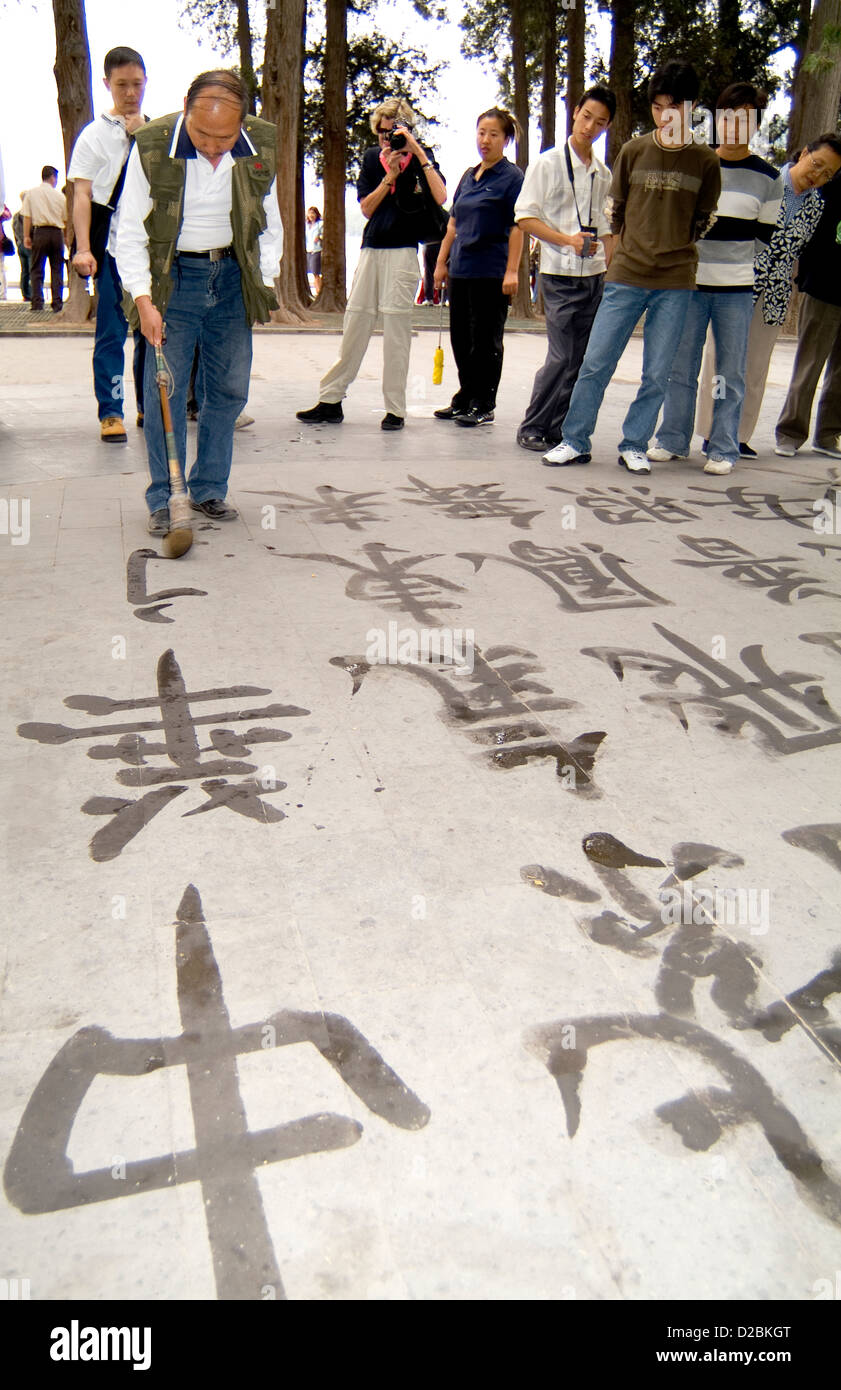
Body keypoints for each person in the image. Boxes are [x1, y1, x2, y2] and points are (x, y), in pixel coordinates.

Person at [116, 69, 283, 536]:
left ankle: (209, 487)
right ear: (186, 104)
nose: (213, 149)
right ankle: (166, 497)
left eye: (225, 138)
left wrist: (262, 281)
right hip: (174, 280)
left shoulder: (260, 144)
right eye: (203, 135)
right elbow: (128, 231)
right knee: (162, 391)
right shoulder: (152, 145)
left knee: (228, 389)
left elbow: (271, 220)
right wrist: (145, 301)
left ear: (243, 123)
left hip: (231, 276)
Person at [542, 61, 720, 474]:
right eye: (657, 107)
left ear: (691, 108)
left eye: (673, 107)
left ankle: (635, 443)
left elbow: (705, 217)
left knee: (657, 372)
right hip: (626, 275)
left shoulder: (703, 161)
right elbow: (614, 211)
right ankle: (575, 440)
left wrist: (675, 246)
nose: (664, 116)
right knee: (595, 362)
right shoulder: (634, 151)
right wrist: (621, 255)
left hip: (675, 280)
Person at [649, 84, 781, 475]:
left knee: (730, 371)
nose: (735, 125)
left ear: (756, 124)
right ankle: (672, 439)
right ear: (718, 119)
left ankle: (723, 446)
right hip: (689, 285)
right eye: (728, 115)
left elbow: (764, 238)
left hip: (736, 290)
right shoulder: (698, 164)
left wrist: (731, 262)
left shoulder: (768, 177)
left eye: (745, 117)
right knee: (681, 365)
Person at [296, 97, 446, 432]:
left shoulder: (424, 157)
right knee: (356, 325)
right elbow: (366, 208)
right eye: (380, 133)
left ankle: (395, 409)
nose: (385, 139)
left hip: (403, 252)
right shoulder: (370, 159)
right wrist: (388, 177)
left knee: (396, 334)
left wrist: (417, 153)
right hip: (372, 247)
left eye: (391, 133)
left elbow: (440, 197)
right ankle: (330, 400)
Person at [695, 132, 841, 456]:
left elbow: (804, 249)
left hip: (775, 292)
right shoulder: (766, 180)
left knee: (756, 365)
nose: (818, 175)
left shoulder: (818, 205)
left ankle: (740, 434)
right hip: (739, 280)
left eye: (827, 174)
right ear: (804, 153)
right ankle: (711, 432)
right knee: (720, 359)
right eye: (817, 165)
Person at [513, 86, 616, 451]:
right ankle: (532, 425)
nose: (590, 127)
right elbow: (525, 217)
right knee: (561, 354)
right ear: (575, 113)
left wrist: (611, 266)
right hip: (558, 273)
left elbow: (606, 230)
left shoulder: (603, 173)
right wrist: (566, 240)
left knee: (582, 357)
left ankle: (559, 429)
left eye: (600, 123)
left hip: (595, 275)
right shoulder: (547, 162)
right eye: (586, 117)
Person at [69, 46, 149, 444]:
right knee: (112, 331)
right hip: (112, 249)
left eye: (137, 84)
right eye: (122, 85)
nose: (130, 93)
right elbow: (81, 195)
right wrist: (84, 248)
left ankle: (148, 406)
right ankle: (111, 411)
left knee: (153, 330)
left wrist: (143, 139)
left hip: (149, 248)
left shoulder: (158, 132)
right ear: (107, 85)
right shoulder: (94, 136)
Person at [432, 106, 524, 426]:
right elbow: (453, 224)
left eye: (493, 134)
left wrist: (512, 271)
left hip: (491, 271)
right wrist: (441, 263)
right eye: (481, 133)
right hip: (462, 268)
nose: (485, 140)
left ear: (505, 139)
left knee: (486, 340)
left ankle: (483, 403)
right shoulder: (469, 176)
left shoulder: (512, 178)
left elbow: (518, 227)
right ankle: (465, 396)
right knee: (461, 337)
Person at [774, 169, 841, 459]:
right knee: (809, 364)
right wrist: (807, 276)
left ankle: (828, 434)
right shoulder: (833, 186)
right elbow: (812, 234)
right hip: (825, 287)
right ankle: (790, 432)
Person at [22, 166, 67, 312]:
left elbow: (27, 216)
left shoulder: (31, 194)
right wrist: (65, 238)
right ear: (53, 177)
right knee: (56, 269)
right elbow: (65, 219)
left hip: (40, 232)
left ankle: (37, 302)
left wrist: (26, 236)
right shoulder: (60, 196)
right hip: (56, 233)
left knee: (36, 269)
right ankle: (57, 303)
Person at [12, 195, 31, 301]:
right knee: (32, 269)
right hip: (28, 245)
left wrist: (19, 243)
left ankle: (25, 293)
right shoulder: (28, 215)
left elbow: (15, 231)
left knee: (24, 270)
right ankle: (32, 293)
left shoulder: (16, 215)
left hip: (20, 245)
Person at [305, 205, 322, 296]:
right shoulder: (306, 225)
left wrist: (319, 237)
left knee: (316, 273)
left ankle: (319, 292)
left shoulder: (320, 224)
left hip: (316, 250)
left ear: (316, 214)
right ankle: (316, 291)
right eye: (310, 213)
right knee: (310, 272)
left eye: (313, 213)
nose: (311, 215)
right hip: (308, 250)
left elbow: (324, 234)